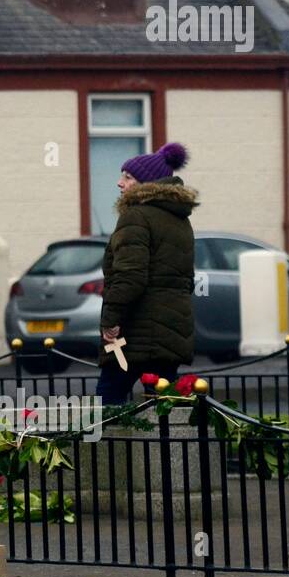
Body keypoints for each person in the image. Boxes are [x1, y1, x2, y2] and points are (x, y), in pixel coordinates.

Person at [98, 142, 198, 405]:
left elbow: (130, 276)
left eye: (128, 177)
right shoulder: (179, 219)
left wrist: (110, 320)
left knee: (104, 411)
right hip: (170, 334)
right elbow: (186, 279)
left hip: (136, 337)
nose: (120, 183)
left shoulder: (137, 216)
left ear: (147, 183)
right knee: (165, 413)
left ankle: (104, 447)